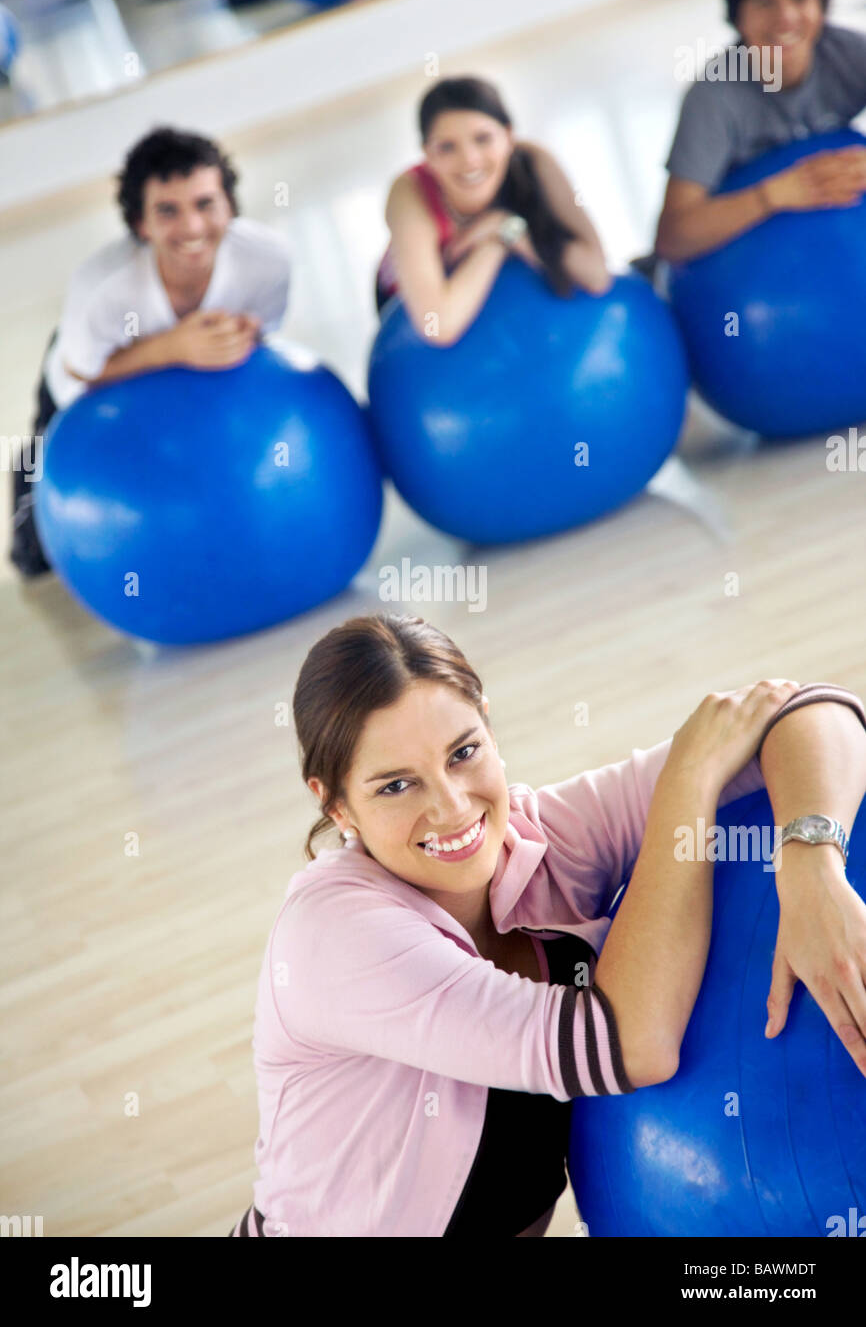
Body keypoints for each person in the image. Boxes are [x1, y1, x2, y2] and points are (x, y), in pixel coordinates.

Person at [227, 613, 866, 1237]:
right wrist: (690, 779)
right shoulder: (334, 936)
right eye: (396, 786)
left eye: (463, 753)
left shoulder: (539, 843)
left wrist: (812, 870)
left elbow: (812, 710)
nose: (451, 808)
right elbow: (629, 1046)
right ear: (336, 804)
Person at [9, 126, 291, 579]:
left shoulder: (269, 259)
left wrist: (234, 337)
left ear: (229, 205)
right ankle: (29, 511)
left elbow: (262, 343)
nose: (193, 227)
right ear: (141, 223)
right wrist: (173, 346)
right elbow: (80, 373)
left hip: (194, 377)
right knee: (39, 551)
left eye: (205, 204)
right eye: (168, 211)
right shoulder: (100, 288)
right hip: (89, 378)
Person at [653, 0, 866, 265]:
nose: (785, 16)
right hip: (752, 269)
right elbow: (672, 238)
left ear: (821, 4)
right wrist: (776, 194)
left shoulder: (849, 54)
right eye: (764, 0)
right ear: (738, 16)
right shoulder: (712, 97)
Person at [375, 75, 612, 343]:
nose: (470, 160)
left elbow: (596, 275)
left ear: (509, 136)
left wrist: (508, 229)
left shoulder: (534, 163)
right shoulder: (409, 192)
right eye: (447, 147)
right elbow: (438, 327)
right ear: (427, 155)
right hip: (411, 334)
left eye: (483, 138)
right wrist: (497, 242)